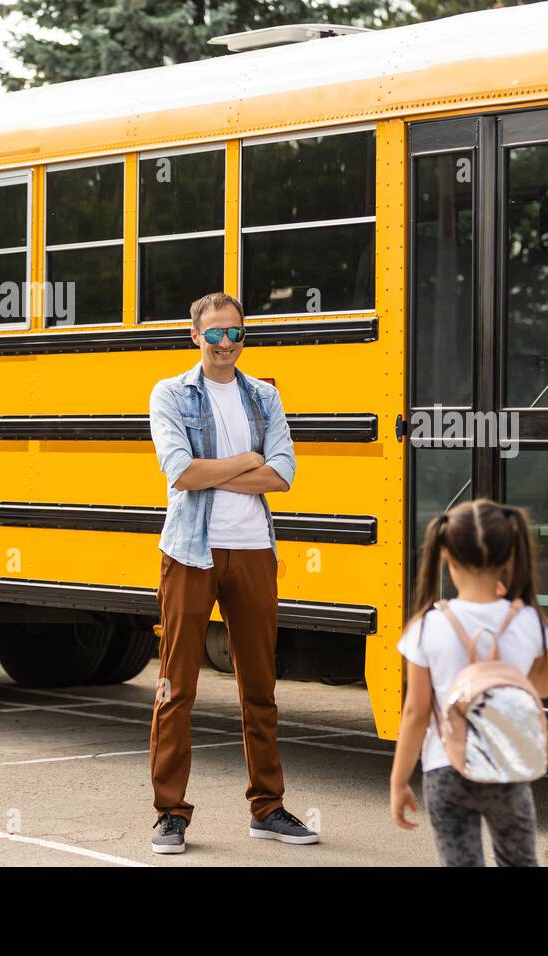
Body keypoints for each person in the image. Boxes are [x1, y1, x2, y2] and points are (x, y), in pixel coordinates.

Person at [146, 291, 317, 854]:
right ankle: (171, 813)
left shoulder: (264, 397)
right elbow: (180, 472)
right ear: (194, 335)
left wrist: (215, 469)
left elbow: (285, 473)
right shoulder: (171, 392)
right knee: (176, 687)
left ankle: (267, 808)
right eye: (214, 333)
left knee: (259, 688)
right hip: (191, 552)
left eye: (235, 333)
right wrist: (250, 459)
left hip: (252, 552)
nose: (225, 343)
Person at [389, 499, 548, 866]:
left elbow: (415, 712)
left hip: (445, 768)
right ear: (509, 556)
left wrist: (399, 780)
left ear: (447, 555)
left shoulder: (427, 627)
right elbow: (543, 688)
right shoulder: (529, 621)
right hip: (507, 767)